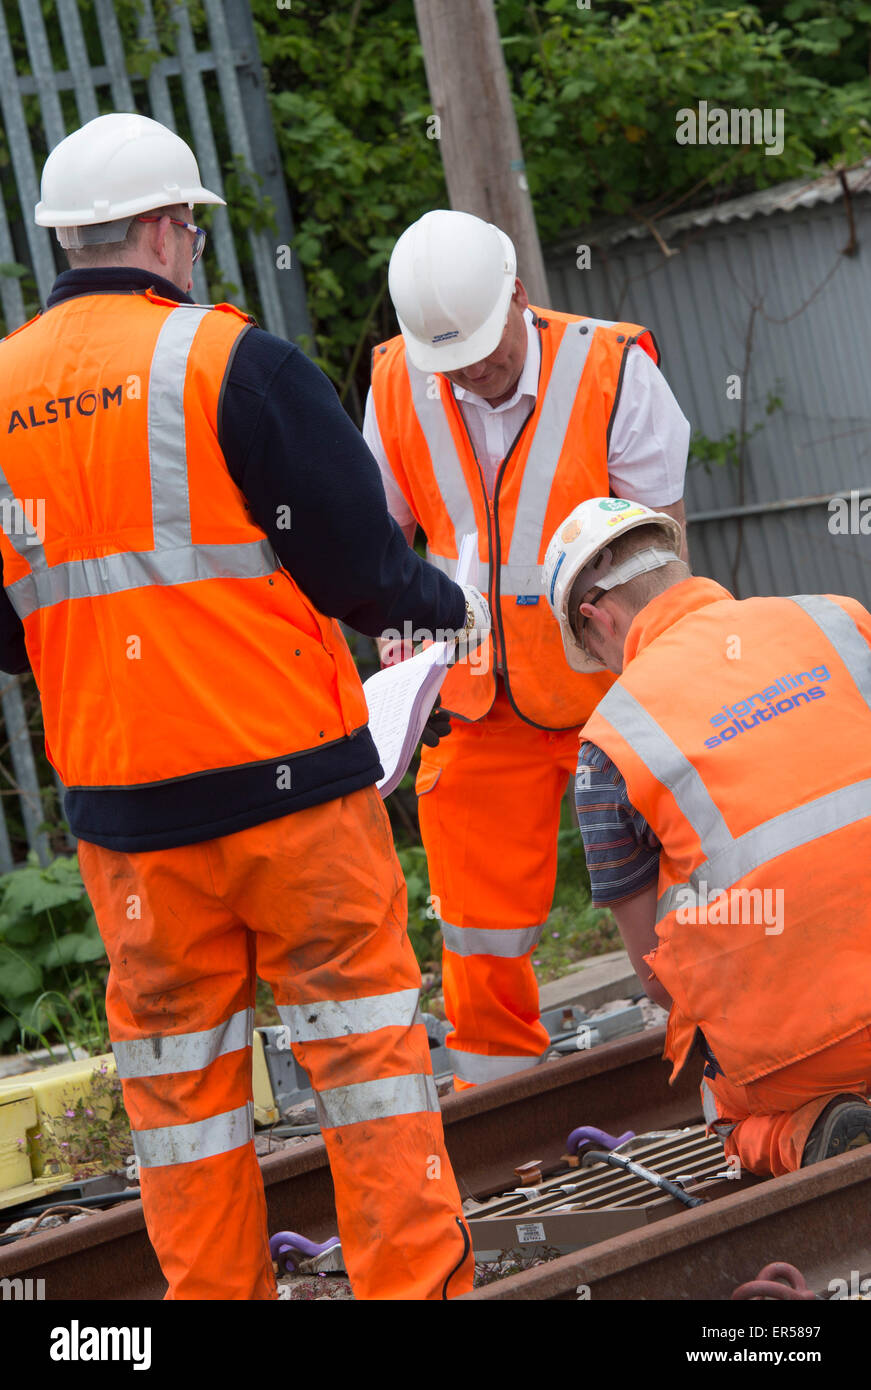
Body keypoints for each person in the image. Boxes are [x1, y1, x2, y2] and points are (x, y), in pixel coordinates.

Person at [0, 113, 490, 1299]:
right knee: (363, 1058)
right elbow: (361, 571)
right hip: (292, 795)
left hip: (126, 825)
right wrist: (446, 599)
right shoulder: (235, 364)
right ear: (170, 230)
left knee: (179, 1097)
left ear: (66, 238)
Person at [364, 208, 691, 1088]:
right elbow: (385, 538)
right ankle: (497, 1099)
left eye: (484, 345)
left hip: (610, 689)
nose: (472, 368)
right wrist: (400, 650)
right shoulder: (396, 379)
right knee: (478, 929)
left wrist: (666, 680)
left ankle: (716, 1041)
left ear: (517, 293)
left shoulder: (612, 366)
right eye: (451, 356)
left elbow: (661, 553)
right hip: (475, 701)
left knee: (679, 890)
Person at [543, 496, 871, 1177]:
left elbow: (656, 984)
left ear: (594, 619)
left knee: (725, 1112)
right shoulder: (840, 620)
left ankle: (805, 1132)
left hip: (808, 1056)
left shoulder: (610, 742)